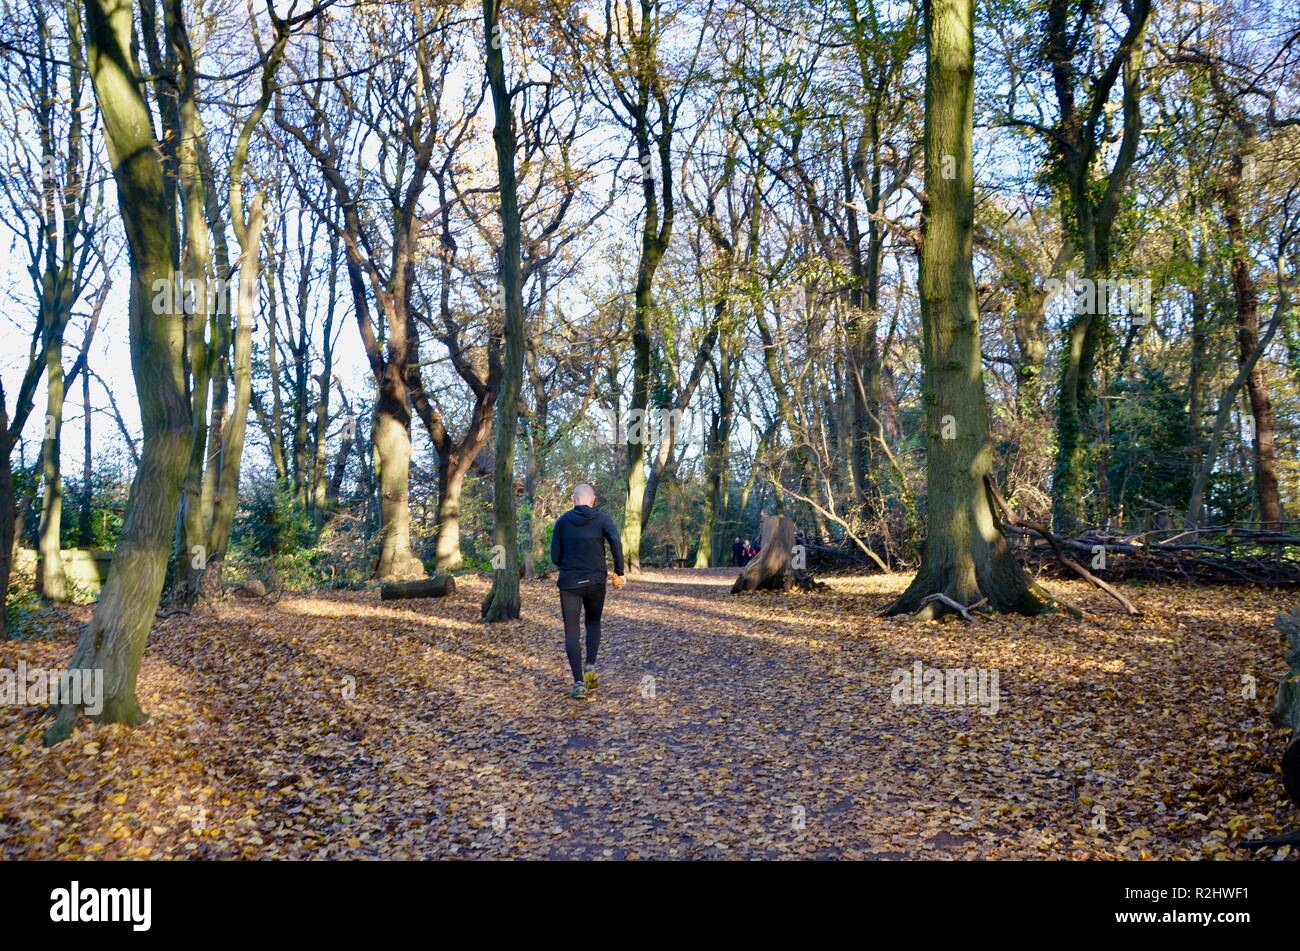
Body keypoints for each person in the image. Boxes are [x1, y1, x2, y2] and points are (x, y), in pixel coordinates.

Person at [550, 483, 625, 699]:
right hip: (595, 582)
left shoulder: (562, 522)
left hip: (570, 584)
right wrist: (619, 571)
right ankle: (590, 668)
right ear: (593, 500)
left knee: (571, 631)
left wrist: (568, 565)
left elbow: (555, 556)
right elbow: (616, 542)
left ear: (573, 500)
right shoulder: (602, 519)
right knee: (593, 623)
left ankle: (579, 683)